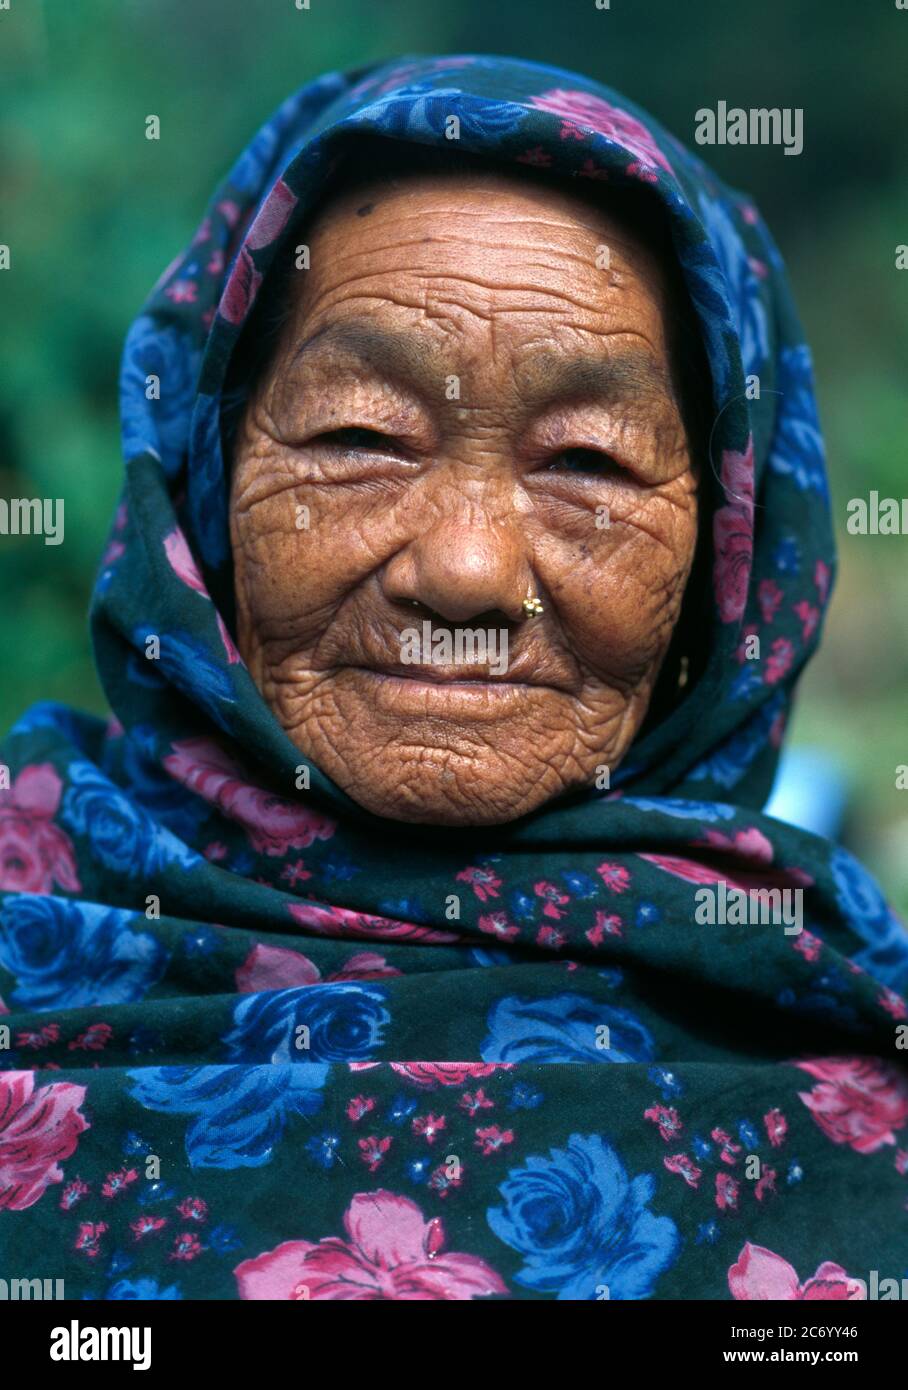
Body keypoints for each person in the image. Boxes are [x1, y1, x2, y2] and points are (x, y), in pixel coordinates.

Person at [1, 54, 905, 1301]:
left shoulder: (831, 1019)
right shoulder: (33, 915)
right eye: (358, 438)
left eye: (585, 462)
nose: (468, 568)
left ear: (726, 550)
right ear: (205, 491)